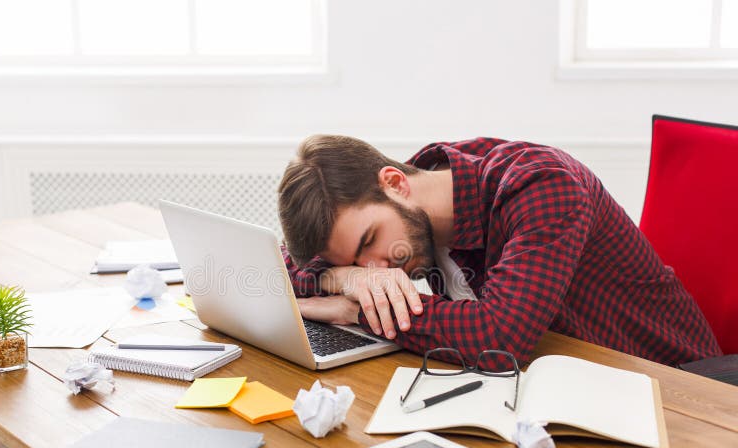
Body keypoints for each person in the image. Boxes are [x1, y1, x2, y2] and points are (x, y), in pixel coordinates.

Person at [277, 135, 722, 369]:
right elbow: (280, 265)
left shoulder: (542, 185)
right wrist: (347, 278)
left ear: (395, 183)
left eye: (368, 242)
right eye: (355, 260)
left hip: (674, 388)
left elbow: (499, 337)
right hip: (564, 381)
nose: (376, 268)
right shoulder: (411, 196)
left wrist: (356, 311)